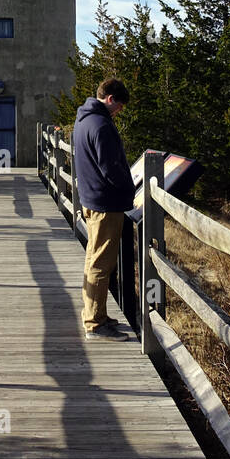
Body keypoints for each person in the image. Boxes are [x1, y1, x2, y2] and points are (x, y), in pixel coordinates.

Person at [72, 78, 135, 340]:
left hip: (91, 199)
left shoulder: (83, 120)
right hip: (106, 204)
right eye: (119, 105)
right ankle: (95, 324)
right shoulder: (101, 126)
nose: (119, 110)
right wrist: (130, 191)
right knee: (101, 264)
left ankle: (95, 313)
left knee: (93, 260)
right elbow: (111, 169)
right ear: (110, 99)